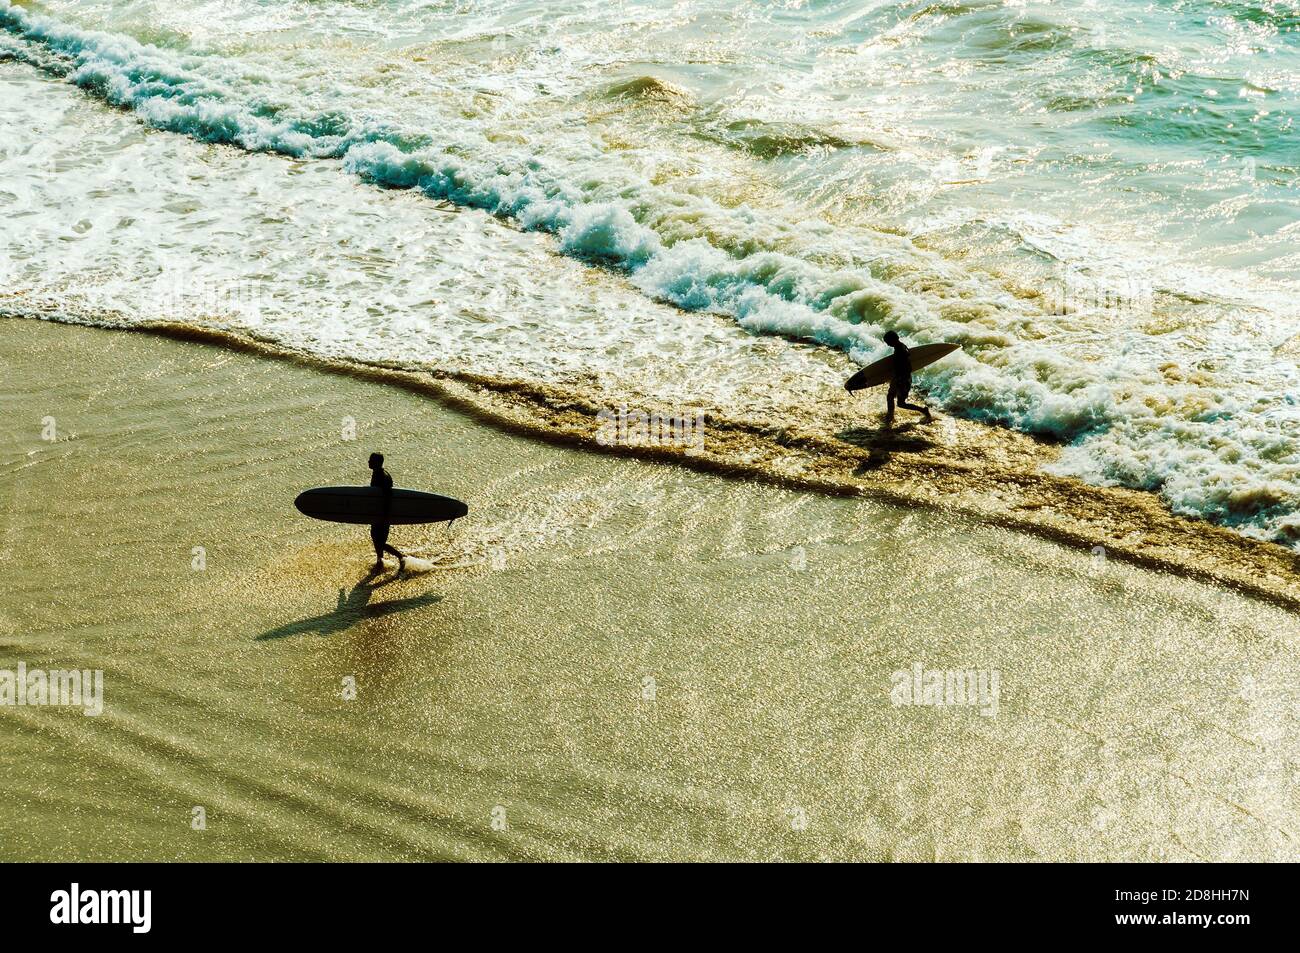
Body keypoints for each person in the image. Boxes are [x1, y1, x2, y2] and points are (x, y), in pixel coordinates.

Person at [368, 452, 405, 574]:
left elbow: (387, 497)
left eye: (371, 460)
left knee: (380, 541)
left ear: (377, 462)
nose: (368, 462)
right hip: (379, 513)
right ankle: (380, 561)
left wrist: (384, 515)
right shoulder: (378, 474)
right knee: (375, 537)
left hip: (383, 514)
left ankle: (401, 557)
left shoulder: (381, 476)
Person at [883, 330, 931, 424]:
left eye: (888, 342)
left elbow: (906, 366)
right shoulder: (901, 347)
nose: (888, 345)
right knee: (890, 397)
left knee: (900, 403)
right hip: (901, 378)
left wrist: (900, 379)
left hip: (902, 379)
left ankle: (923, 410)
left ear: (892, 340)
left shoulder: (900, 350)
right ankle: (890, 416)